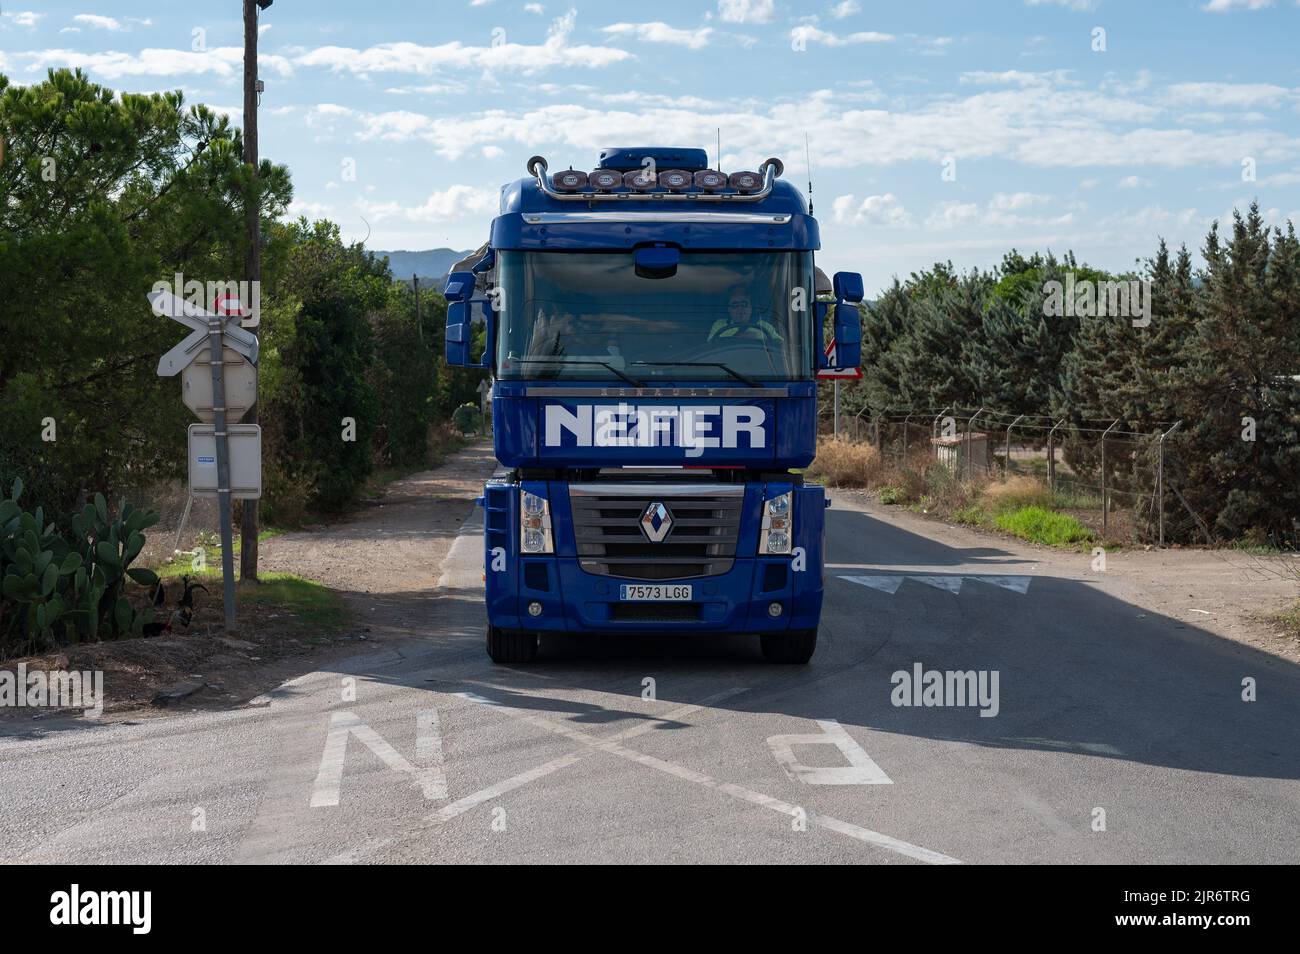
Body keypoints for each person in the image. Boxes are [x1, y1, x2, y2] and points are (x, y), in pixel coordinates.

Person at [707, 286, 784, 344]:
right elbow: (711, 347)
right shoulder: (719, 325)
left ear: (750, 307)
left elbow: (780, 345)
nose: (740, 308)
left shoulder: (764, 326)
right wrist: (741, 337)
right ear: (729, 309)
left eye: (744, 304)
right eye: (735, 305)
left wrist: (760, 341)